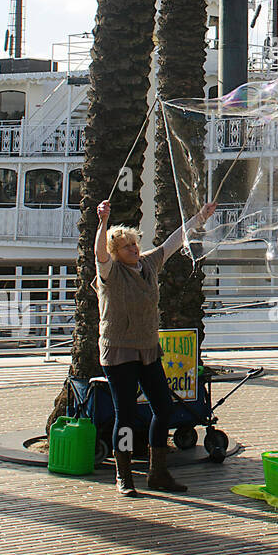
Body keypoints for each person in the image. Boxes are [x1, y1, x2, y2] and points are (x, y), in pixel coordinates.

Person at [95, 197, 215, 497]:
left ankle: (158, 472)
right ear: (115, 253)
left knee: (163, 408)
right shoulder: (110, 273)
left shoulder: (148, 263)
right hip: (120, 352)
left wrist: (199, 217)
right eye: (126, 248)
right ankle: (124, 475)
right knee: (124, 414)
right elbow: (98, 252)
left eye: (134, 245)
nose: (134, 250)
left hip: (148, 350)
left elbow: (174, 242)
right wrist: (102, 222)